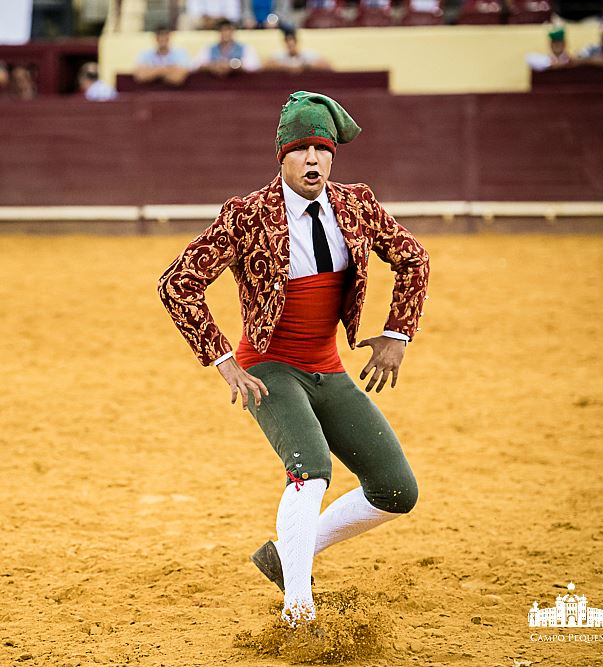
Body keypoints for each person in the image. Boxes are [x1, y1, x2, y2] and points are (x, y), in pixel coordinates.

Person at [158, 91, 428, 625]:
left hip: (327, 367)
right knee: (311, 471)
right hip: (268, 368)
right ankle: (297, 608)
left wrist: (397, 333)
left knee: (397, 489)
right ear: (281, 156)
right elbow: (177, 283)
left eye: (323, 150)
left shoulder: (357, 205)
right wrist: (222, 359)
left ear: (334, 157)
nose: (313, 160)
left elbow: (413, 258)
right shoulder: (248, 214)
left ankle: (287, 555)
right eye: (301, 149)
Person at [195, 19, 261, 75]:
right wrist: (213, 66)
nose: (226, 33)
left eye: (228, 30)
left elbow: (254, 66)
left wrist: (232, 66)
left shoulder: (246, 48)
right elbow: (196, 66)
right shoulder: (208, 49)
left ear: (233, 32)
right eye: (223, 30)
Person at [266, 29, 331, 72]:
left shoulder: (307, 54)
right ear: (285, 43)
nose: (291, 47)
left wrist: (307, 66)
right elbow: (265, 65)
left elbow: (327, 65)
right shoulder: (279, 55)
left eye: (293, 45)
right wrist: (284, 67)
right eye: (289, 45)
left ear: (297, 43)